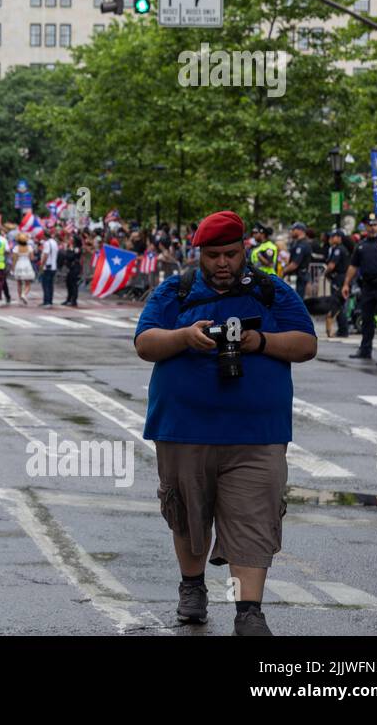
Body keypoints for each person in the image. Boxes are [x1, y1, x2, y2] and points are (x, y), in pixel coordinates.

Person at [134, 210, 316, 636]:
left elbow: (306, 344)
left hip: (258, 434)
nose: (222, 263)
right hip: (183, 429)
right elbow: (144, 343)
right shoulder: (175, 291)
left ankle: (248, 611)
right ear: (199, 253)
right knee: (188, 515)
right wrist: (183, 337)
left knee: (254, 518)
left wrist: (261, 341)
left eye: (231, 254)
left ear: (244, 251)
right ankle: (192, 587)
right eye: (213, 255)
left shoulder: (271, 292)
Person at [341, 213, 377, 365]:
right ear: (365, 227)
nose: (372, 228)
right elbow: (353, 266)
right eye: (369, 225)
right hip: (367, 286)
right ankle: (365, 349)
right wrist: (346, 283)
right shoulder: (361, 245)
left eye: (375, 225)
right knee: (366, 319)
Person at [322, 229, 351, 340]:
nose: (330, 239)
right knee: (339, 304)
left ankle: (343, 330)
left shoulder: (339, 249)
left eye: (333, 236)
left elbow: (331, 266)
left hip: (339, 279)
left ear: (339, 237)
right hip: (339, 278)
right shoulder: (337, 249)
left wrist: (325, 273)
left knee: (338, 305)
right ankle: (342, 329)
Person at [283, 222, 314, 298]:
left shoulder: (302, 245)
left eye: (294, 229)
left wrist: (283, 272)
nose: (292, 231)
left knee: (297, 300)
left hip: (300, 276)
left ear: (300, 230)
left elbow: (294, 264)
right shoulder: (297, 243)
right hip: (298, 276)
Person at [12, 233, 36, 304]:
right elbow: (32, 258)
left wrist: (13, 268)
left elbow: (14, 259)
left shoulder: (16, 248)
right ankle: (24, 294)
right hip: (27, 264)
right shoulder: (29, 248)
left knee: (19, 283)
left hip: (19, 264)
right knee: (27, 283)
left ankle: (20, 298)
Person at [62, 230, 83, 307]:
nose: (70, 239)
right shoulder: (72, 247)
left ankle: (73, 300)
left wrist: (68, 250)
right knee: (68, 283)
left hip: (75, 267)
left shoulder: (77, 248)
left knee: (73, 284)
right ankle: (68, 299)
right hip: (70, 267)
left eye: (72, 238)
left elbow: (71, 256)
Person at [39, 231, 60, 307]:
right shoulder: (54, 242)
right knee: (50, 284)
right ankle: (49, 300)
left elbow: (45, 255)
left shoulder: (47, 243)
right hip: (53, 266)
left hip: (48, 266)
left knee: (45, 284)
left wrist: (42, 265)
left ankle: (47, 301)